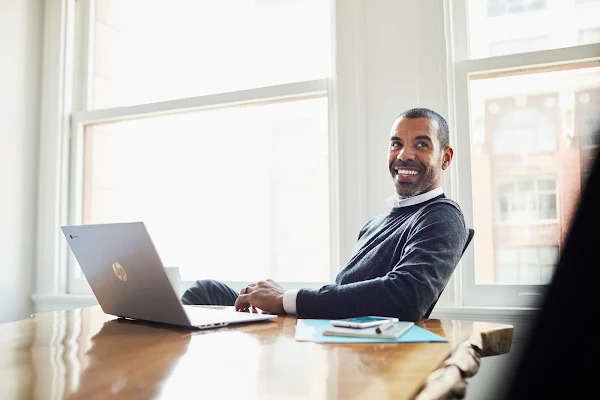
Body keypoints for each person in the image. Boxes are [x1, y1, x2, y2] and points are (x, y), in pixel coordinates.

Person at [181, 107, 469, 321]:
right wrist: (281, 299)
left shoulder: (442, 216)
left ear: (445, 157)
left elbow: (408, 296)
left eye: (421, 144)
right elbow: (345, 294)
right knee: (204, 291)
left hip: (348, 342)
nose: (404, 155)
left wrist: (286, 300)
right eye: (396, 143)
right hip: (322, 323)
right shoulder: (376, 224)